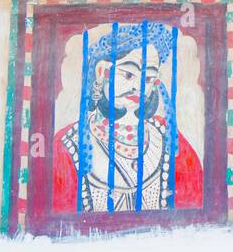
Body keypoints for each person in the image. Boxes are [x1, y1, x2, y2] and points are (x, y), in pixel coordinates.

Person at [52, 24, 202, 212]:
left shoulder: (168, 138)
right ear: (102, 72)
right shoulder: (66, 145)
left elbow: (193, 207)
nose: (138, 87)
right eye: (129, 74)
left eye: (148, 79)